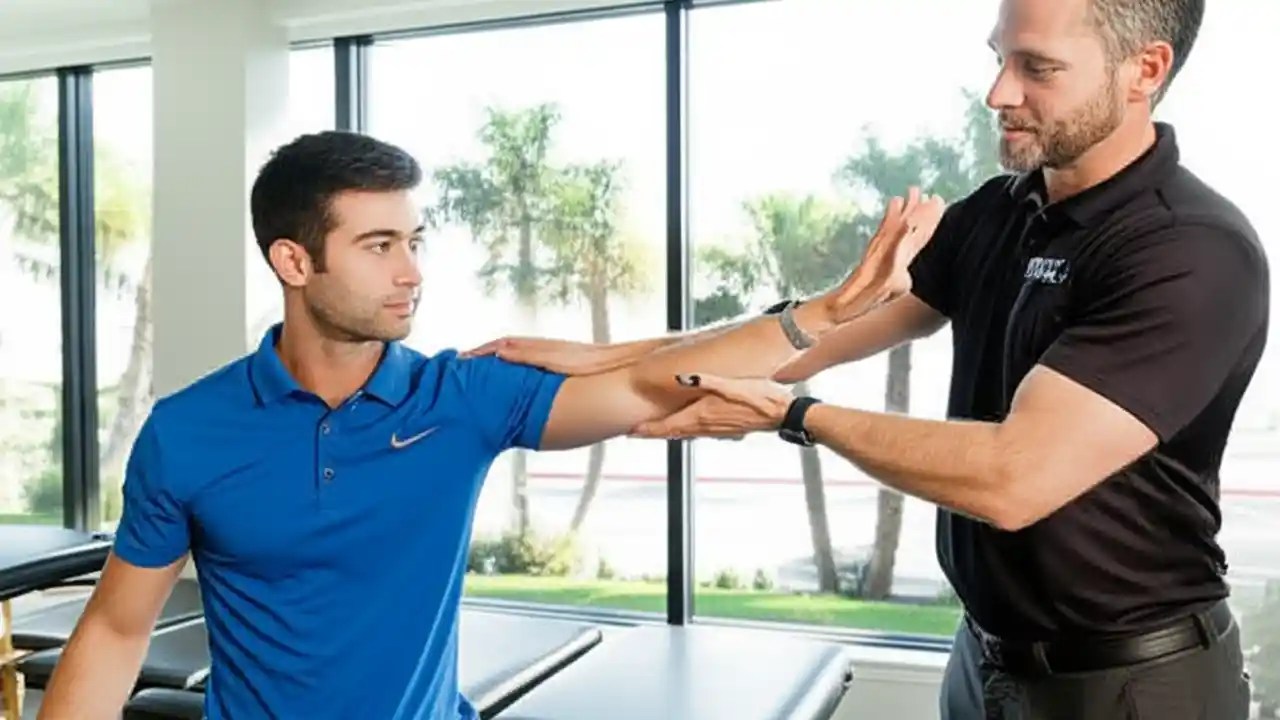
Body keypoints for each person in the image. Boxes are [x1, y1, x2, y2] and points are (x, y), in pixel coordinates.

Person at [468, 0, 1269, 718]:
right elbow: (814, 333)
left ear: (1147, 69)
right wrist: (609, 356)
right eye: (999, 57)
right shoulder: (1001, 211)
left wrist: (795, 418)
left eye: (1038, 68)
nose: (999, 92)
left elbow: (1013, 477)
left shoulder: (1189, 250)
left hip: (1134, 685)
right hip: (984, 661)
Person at [33, 129, 942, 719]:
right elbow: (116, 632)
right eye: (379, 246)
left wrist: (820, 315)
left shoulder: (459, 399)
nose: (411, 272)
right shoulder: (189, 432)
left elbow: (645, 385)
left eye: (414, 242)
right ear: (293, 260)